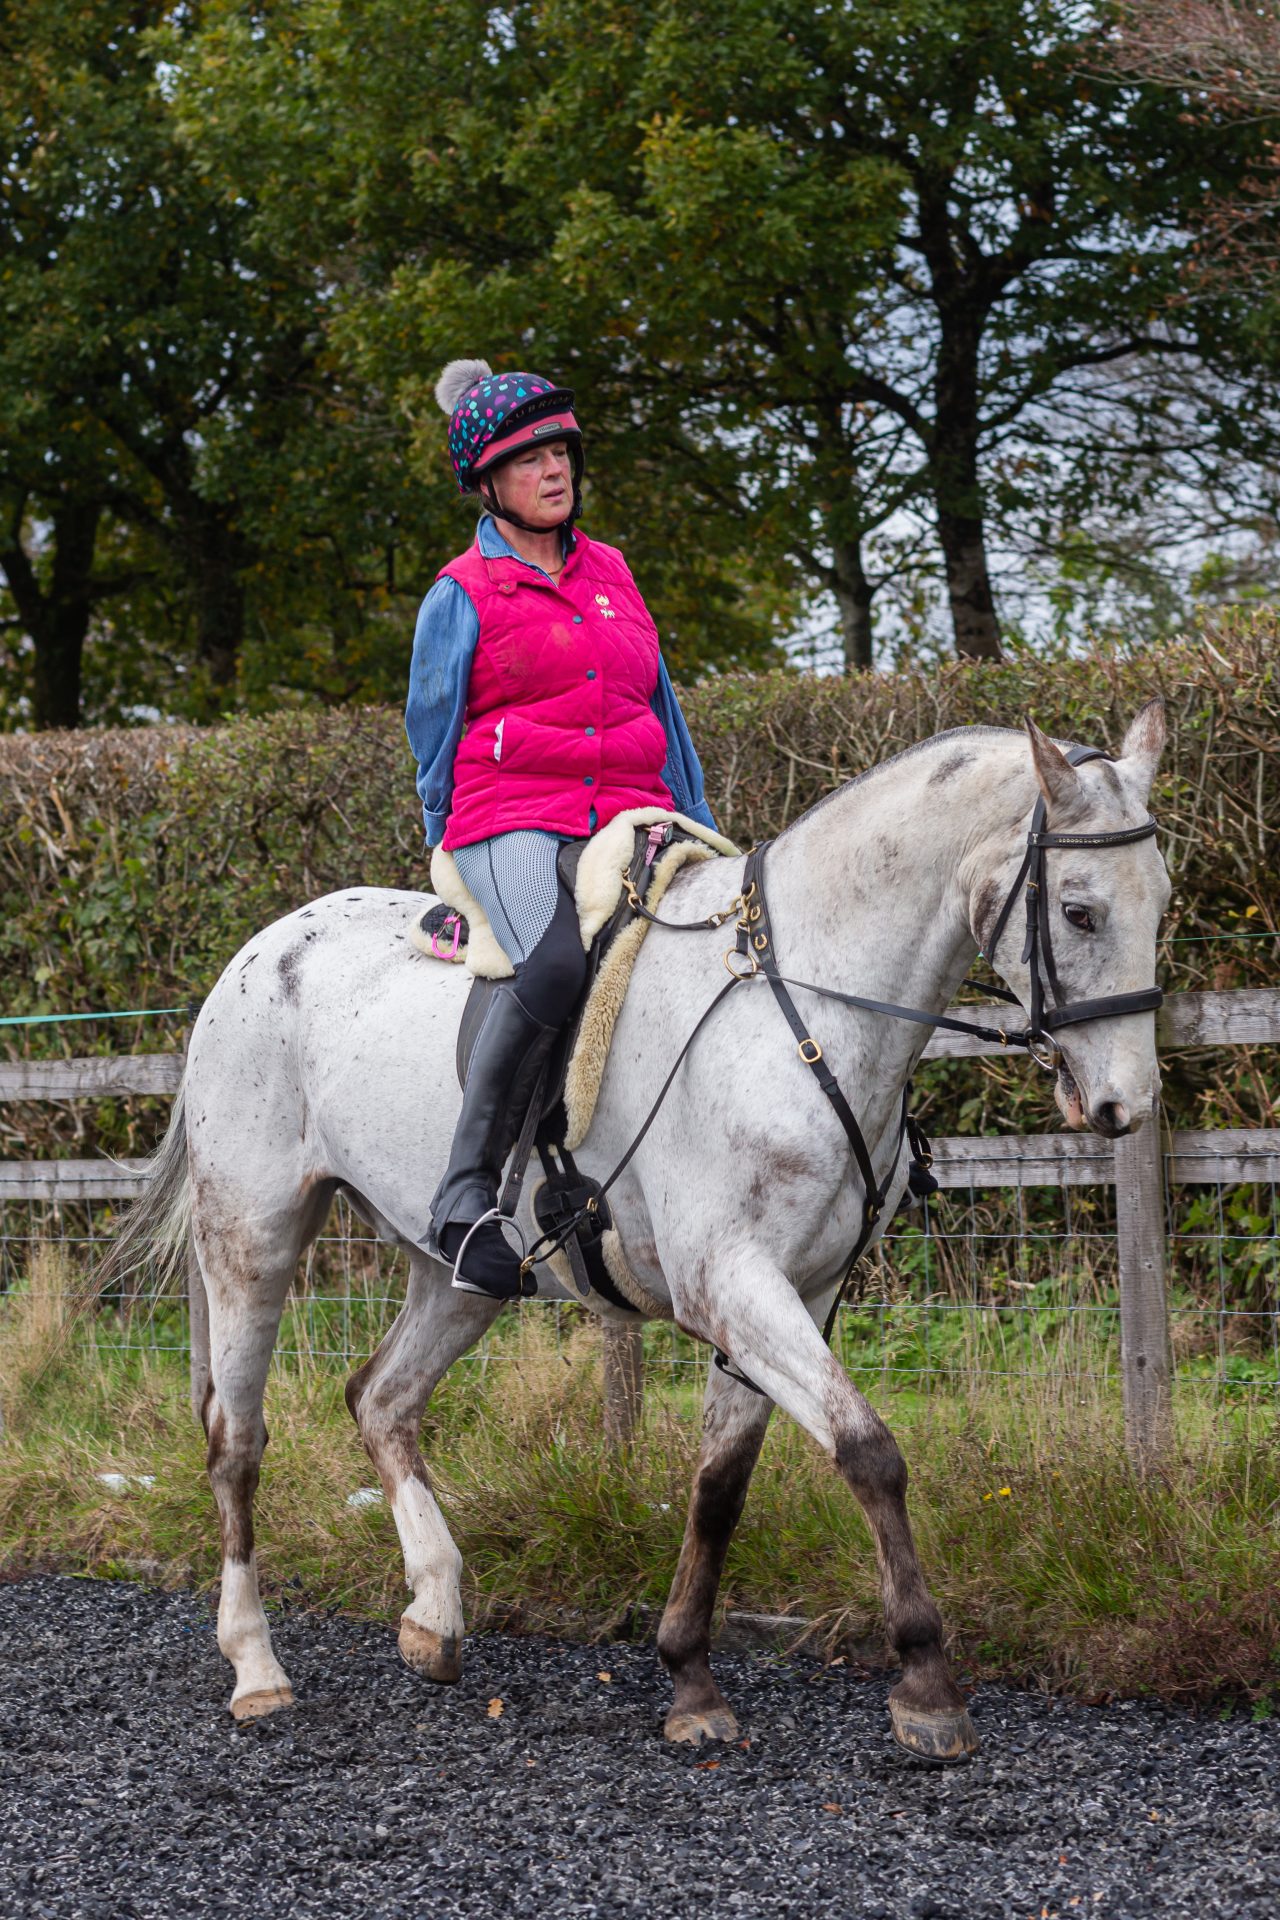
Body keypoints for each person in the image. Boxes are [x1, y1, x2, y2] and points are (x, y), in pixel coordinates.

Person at [406, 358, 718, 1301]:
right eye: (529, 458)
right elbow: (433, 731)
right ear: (489, 482)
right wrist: (448, 851)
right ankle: (465, 1199)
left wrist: (700, 827)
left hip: (629, 809)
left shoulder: (614, 573)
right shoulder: (459, 593)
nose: (554, 471)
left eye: (561, 452)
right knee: (551, 964)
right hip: (509, 817)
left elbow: (663, 711)